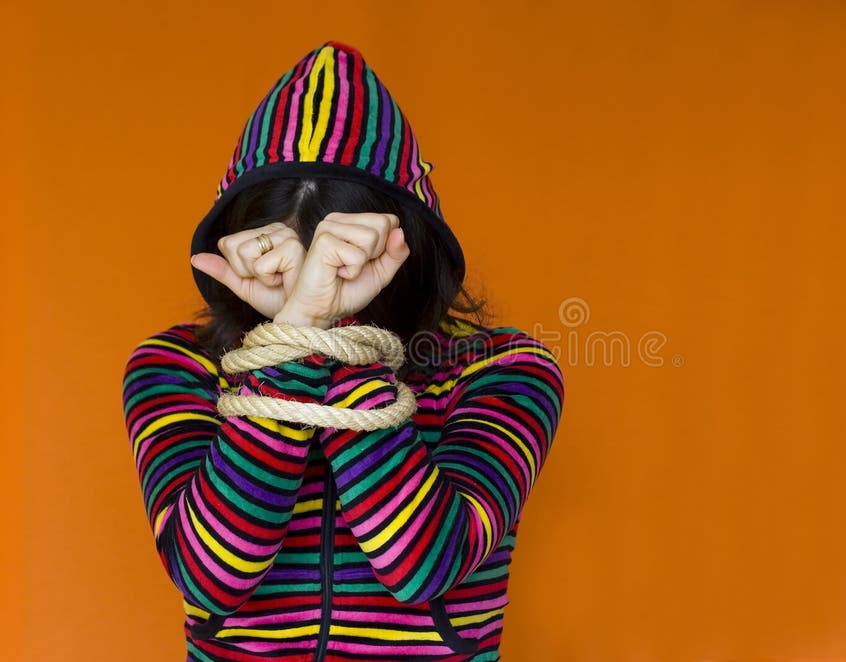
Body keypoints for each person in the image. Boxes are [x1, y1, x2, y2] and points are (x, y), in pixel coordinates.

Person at [120, 39, 565, 662]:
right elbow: (210, 576)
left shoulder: (506, 371)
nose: (315, 289)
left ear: (401, 250)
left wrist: (330, 340)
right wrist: (294, 341)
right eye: (290, 271)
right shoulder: (177, 367)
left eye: (336, 266)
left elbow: (425, 566)